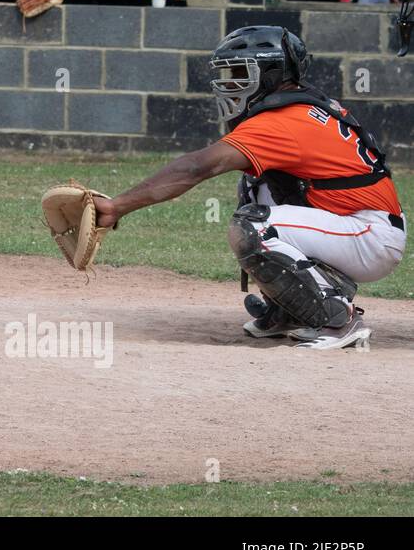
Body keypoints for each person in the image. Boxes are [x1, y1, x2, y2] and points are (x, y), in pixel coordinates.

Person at [91, 26, 403, 350]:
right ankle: (292, 310)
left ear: (271, 75)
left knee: (254, 227)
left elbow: (197, 167)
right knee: (254, 186)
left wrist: (116, 206)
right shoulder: (298, 107)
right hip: (353, 225)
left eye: (239, 73)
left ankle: (338, 318)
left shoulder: (283, 120)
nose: (228, 83)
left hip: (368, 234)